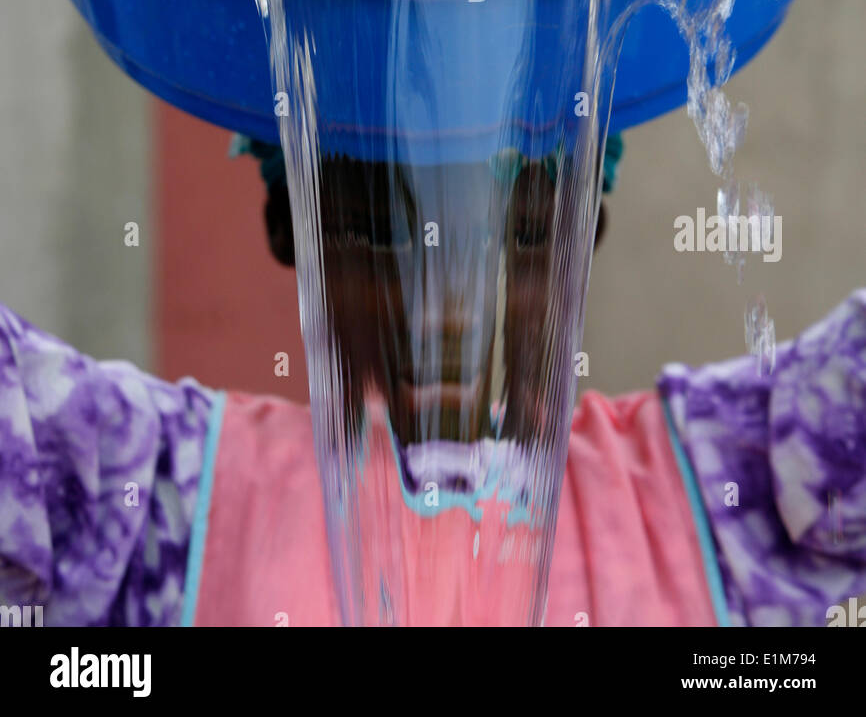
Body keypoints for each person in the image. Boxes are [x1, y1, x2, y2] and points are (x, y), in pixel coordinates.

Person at [1, 138, 865, 627]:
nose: (454, 313)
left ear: (582, 246)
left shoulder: (736, 493)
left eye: (523, 239)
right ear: (292, 234)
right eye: (380, 234)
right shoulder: (154, 502)